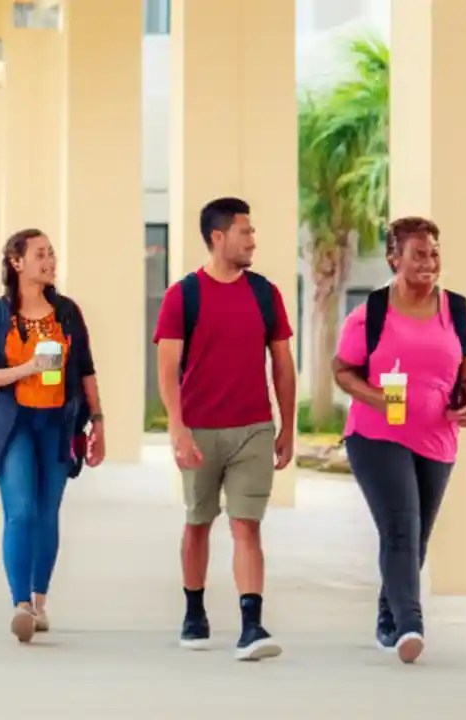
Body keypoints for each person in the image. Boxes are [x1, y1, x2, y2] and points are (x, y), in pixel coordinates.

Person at [332, 216, 466, 664]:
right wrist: (375, 397)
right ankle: (410, 624)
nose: (429, 262)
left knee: (416, 538)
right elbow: (341, 370)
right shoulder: (371, 314)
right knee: (401, 525)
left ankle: (387, 613)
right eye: (418, 253)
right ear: (395, 258)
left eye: (434, 252)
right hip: (377, 435)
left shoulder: (459, 313)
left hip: (437, 438)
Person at [152, 197, 295, 661]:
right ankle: (194, 610)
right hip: (200, 429)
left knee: (246, 526)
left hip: (253, 426)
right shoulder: (183, 295)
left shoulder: (264, 293)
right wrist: (177, 429)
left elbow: (283, 364)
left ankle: (251, 625)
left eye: (252, 232)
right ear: (218, 237)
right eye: (245, 232)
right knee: (198, 522)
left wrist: (287, 426)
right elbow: (168, 366)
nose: (253, 240)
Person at [0, 229, 105, 643]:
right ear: (17, 262)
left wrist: (97, 421)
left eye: (51, 253)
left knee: (48, 512)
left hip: (58, 423)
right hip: (13, 424)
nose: (49, 260)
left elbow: (85, 370)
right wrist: (28, 368)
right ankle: (20, 603)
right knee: (21, 510)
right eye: (40, 254)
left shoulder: (67, 313)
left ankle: (40, 602)